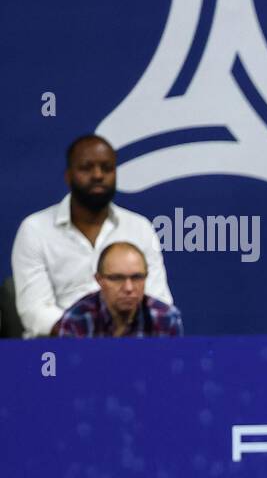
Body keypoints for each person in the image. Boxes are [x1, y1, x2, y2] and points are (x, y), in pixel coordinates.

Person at [11, 135, 174, 338]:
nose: (98, 175)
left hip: (131, 344)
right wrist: (86, 336)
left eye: (106, 168)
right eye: (87, 168)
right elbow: (35, 311)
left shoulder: (139, 227)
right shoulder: (35, 229)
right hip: (60, 350)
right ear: (68, 176)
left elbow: (158, 299)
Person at [55, 241, 182, 337]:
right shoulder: (76, 319)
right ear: (99, 280)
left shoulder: (166, 317)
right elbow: (69, 371)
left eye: (137, 277)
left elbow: (174, 370)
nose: (128, 288)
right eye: (117, 278)